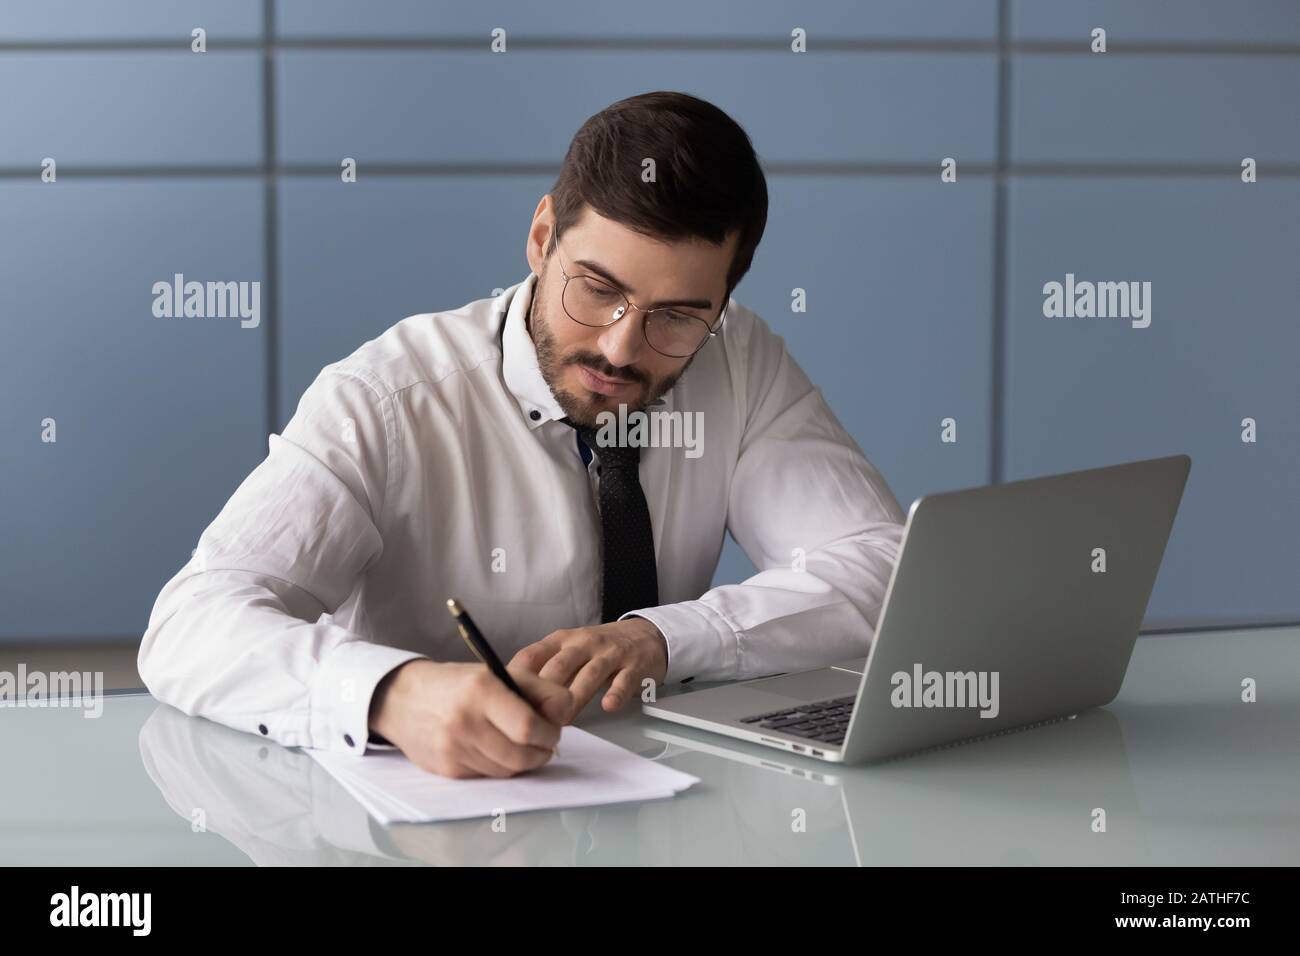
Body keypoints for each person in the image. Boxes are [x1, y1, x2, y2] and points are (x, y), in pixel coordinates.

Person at [139, 90, 906, 780]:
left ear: (723, 301)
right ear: (542, 237)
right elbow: (191, 624)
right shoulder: (384, 398)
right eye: (597, 289)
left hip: (663, 803)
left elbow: (880, 570)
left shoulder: (740, 358)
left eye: (676, 316)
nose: (619, 348)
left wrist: (664, 640)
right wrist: (388, 693)